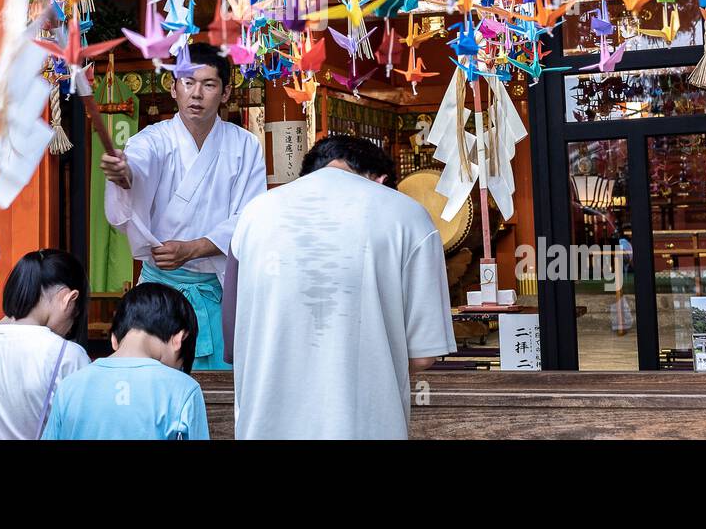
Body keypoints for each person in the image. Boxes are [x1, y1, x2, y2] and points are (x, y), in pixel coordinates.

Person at [223, 135, 456, 439]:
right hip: (366, 426)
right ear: (382, 180)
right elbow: (423, 355)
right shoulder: (408, 216)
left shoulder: (253, 215)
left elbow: (234, 343)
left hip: (263, 427)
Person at [100, 41, 265, 370]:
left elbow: (251, 218)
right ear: (173, 87)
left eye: (208, 84)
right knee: (151, 383)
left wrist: (194, 249)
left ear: (226, 92)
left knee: (222, 390)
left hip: (215, 290)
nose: (197, 94)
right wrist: (125, 173)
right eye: (188, 82)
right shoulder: (152, 139)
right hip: (159, 293)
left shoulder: (245, 145)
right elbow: (139, 163)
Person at [0, 249, 90, 439]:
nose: (70, 326)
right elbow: (84, 428)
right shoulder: (68, 355)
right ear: (68, 298)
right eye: (75, 314)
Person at [40, 283, 209, 440]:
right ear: (179, 339)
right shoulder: (184, 388)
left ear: (114, 339)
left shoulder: (69, 386)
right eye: (179, 366)